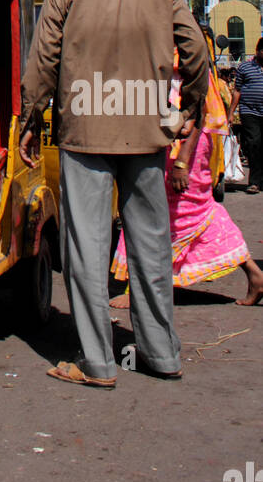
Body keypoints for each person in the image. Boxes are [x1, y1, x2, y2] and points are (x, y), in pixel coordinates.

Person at [20, 0, 209, 387]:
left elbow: (43, 58)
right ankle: (161, 354)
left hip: (85, 130)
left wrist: (30, 118)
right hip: (147, 131)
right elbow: (195, 51)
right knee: (151, 243)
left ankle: (98, 362)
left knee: (87, 247)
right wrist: (190, 107)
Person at [111, 45, 263, 307]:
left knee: (153, 210)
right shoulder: (162, 51)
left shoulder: (183, 55)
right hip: (168, 144)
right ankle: (254, 273)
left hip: (184, 149)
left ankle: (136, 286)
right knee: (184, 212)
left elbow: (197, 112)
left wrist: (182, 161)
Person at [228, 36, 263, 194]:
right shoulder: (245, 67)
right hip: (249, 112)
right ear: (258, 51)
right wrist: (231, 113)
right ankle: (254, 182)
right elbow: (237, 91)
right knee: (254, 144)